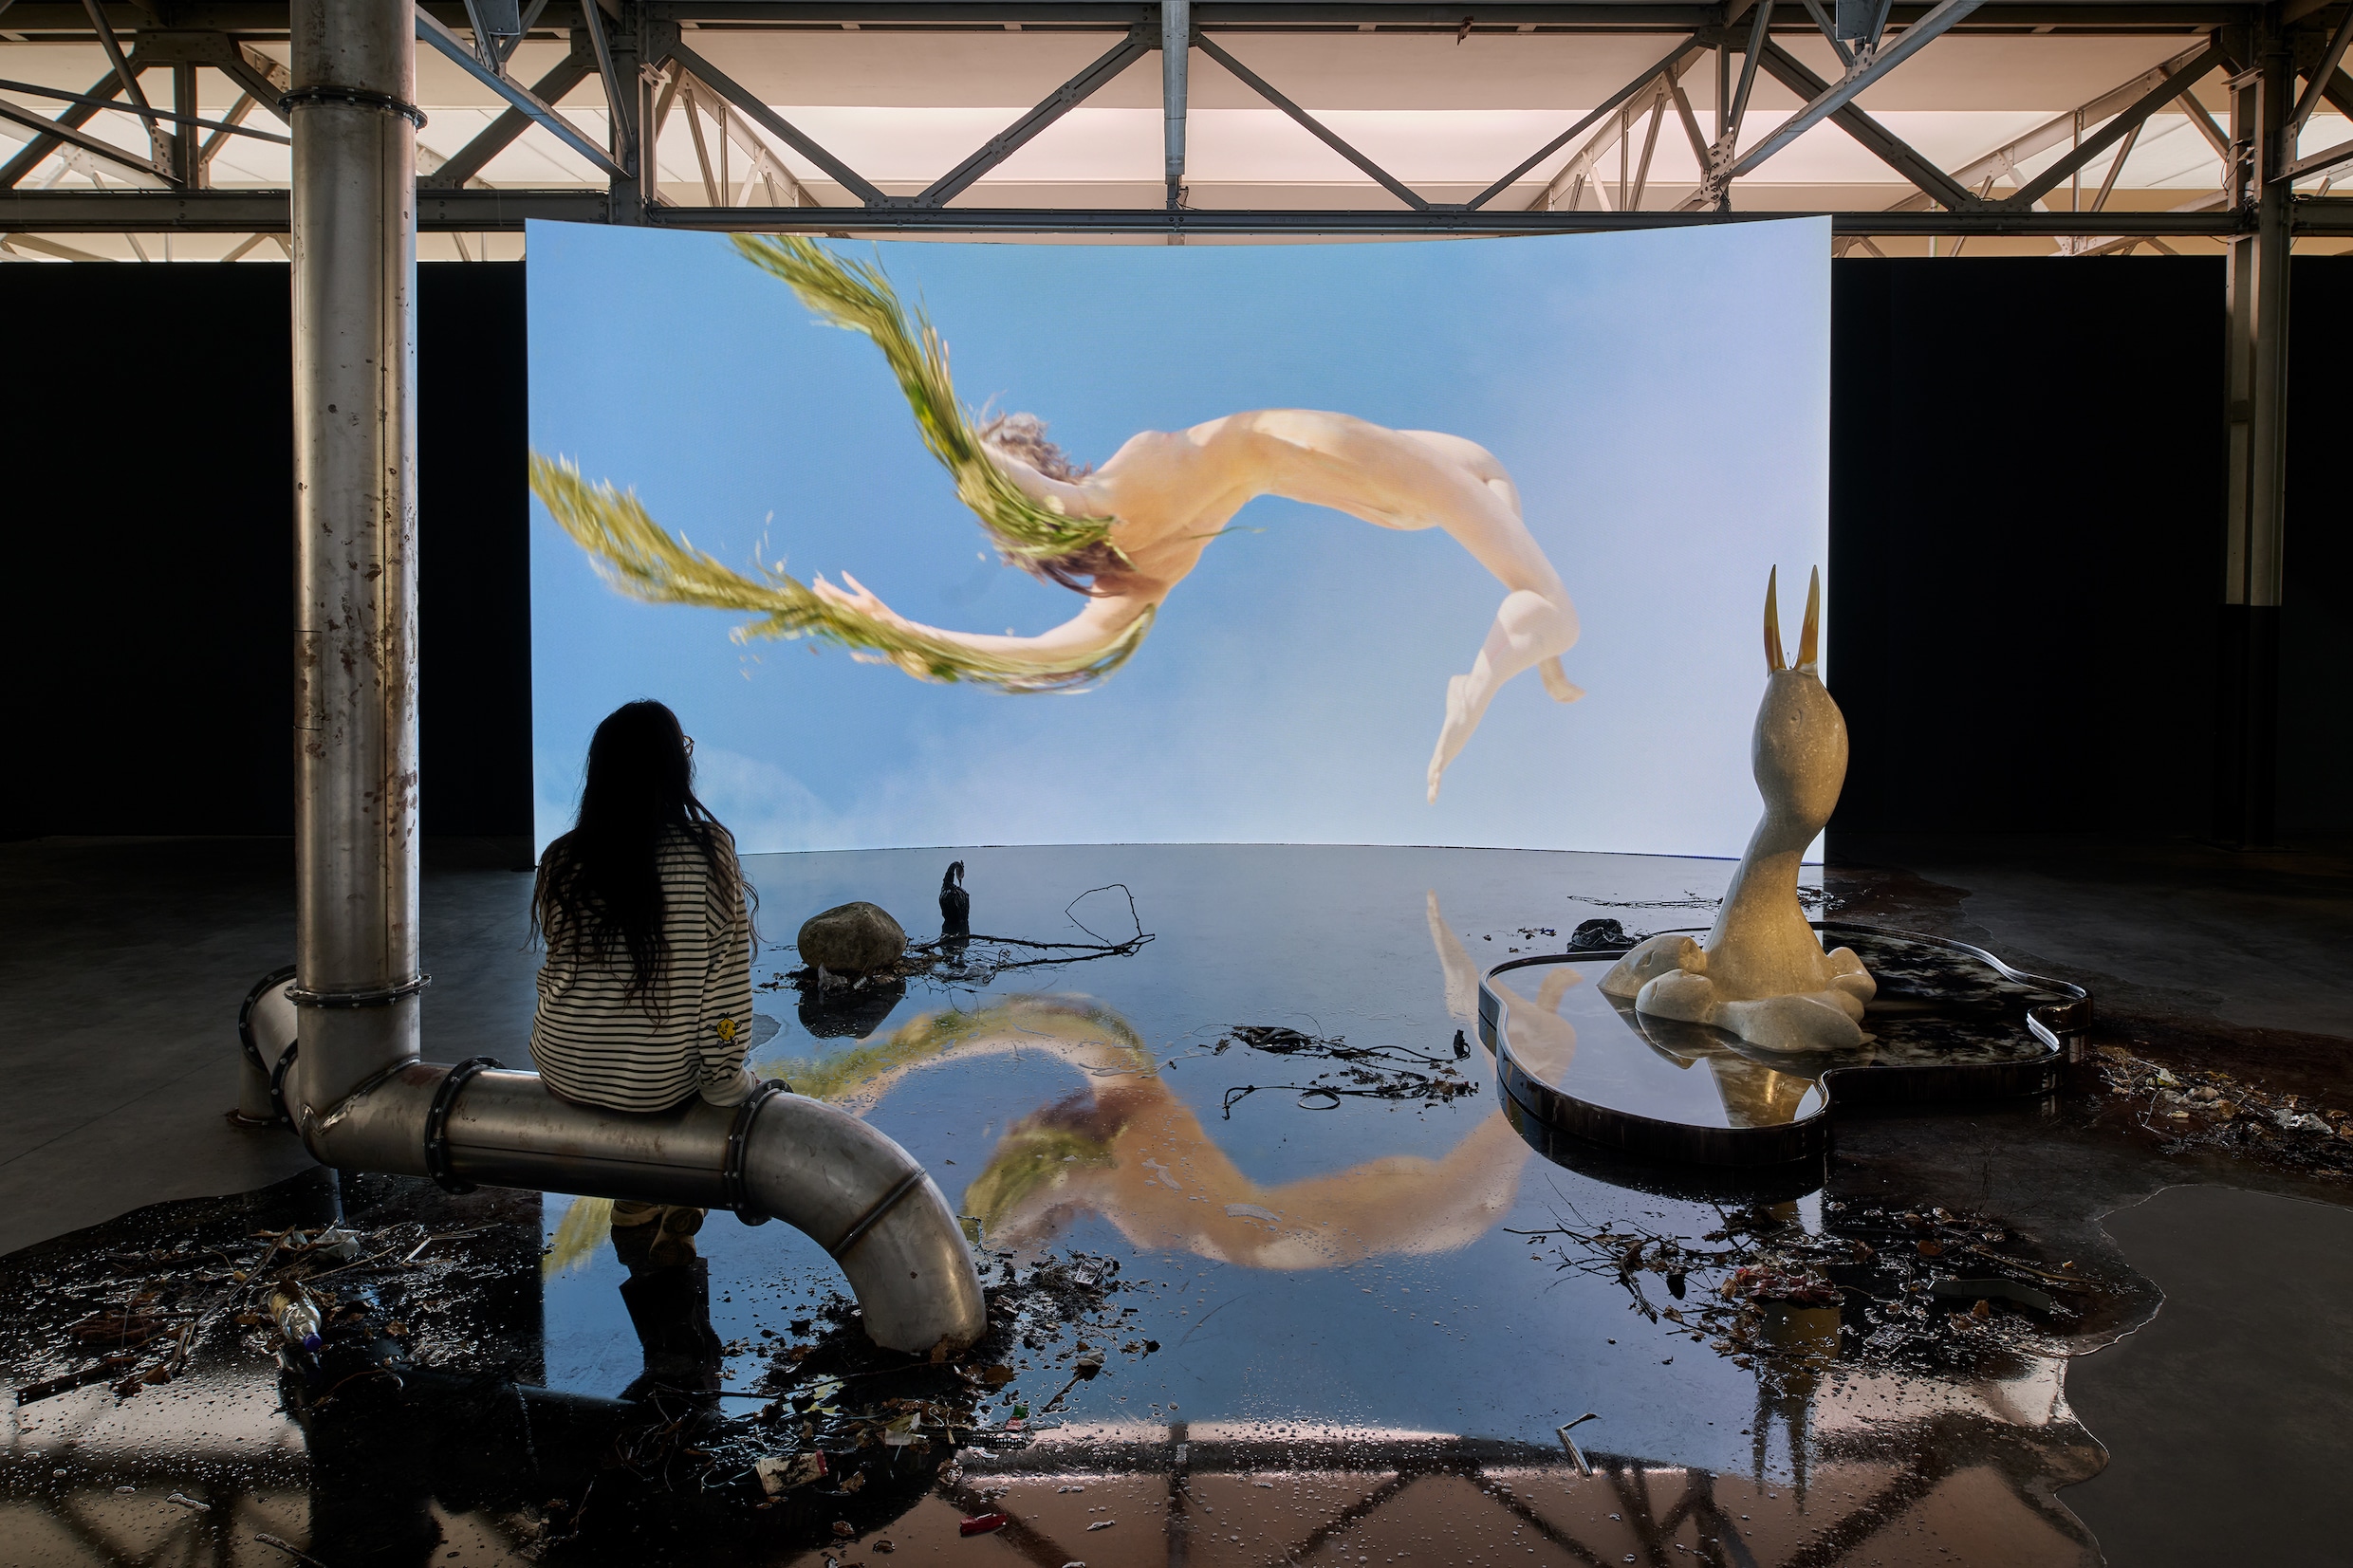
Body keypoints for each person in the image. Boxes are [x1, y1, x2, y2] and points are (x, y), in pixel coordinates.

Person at [532, 234, 1583, 803]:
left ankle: (1508, 665)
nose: (990, 498)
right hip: (1357, 462)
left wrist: (906, 618)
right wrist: (911, 607)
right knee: (1535, 587)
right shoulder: (1126, 515)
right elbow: (1030, 647)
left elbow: (1028, 639)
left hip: (1384, 479)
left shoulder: (1130, 528)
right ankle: (1493, 670)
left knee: (1524, 567)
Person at [529, 698, 758, 1395]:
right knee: (683, 1084)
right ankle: (663, 1210)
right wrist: (726, 1081)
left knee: (624, 1063)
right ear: (674, 767)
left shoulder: (563, 860)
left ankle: (636, 1210)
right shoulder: (707, 854)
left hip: (564, 1069)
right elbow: (726, 994)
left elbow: (556, 973)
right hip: (657, 1084)